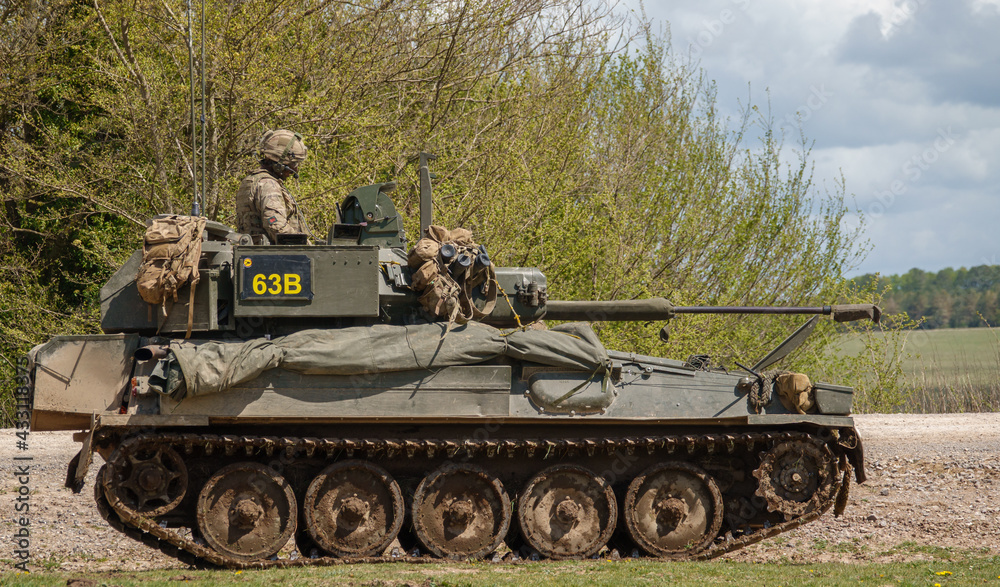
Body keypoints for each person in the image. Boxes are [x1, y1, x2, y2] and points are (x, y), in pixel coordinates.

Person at [236, 129, 310, 243]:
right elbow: (277, 228)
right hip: (273, 256)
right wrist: (306, 246)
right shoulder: (268, 185)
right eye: (293, 164)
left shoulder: (251, 180)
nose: (295, 170)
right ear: (279, 164)